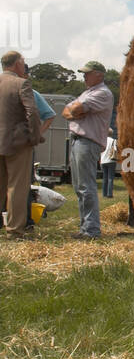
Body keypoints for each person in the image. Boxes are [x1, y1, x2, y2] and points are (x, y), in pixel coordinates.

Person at [61, 60, 114, 240]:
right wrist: (72, 113)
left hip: (87, 142)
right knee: (79, 186)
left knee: (86, 186)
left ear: (99, 74)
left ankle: (91, 230)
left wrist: (74, 112)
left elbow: (74, 108)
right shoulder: (88, 92)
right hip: (78, 141)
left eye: (87, 73)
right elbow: (66, 111)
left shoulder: (102, 93)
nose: (84, 76)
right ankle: (86, 227)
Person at [0, 49, 42, 239]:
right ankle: (14, 230)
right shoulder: (21, 83)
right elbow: (31, 112)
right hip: (17, 143)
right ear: (17, 64)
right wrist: (34, 136)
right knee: (17, 187)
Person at [23, 65, 56, 231]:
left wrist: (36, 134)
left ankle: (27, 220)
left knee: (25, 184)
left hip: (24, 146)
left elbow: (50, 115)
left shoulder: (32, 94)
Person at [101, 117, 118, 198]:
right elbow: (115, 149)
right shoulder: (113, 141)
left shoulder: (102, 140)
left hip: (103, 161)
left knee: (105, 178)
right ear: (112, 134)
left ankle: (104, 194)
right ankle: (109, 194)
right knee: (110, 178)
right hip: (111, 161)